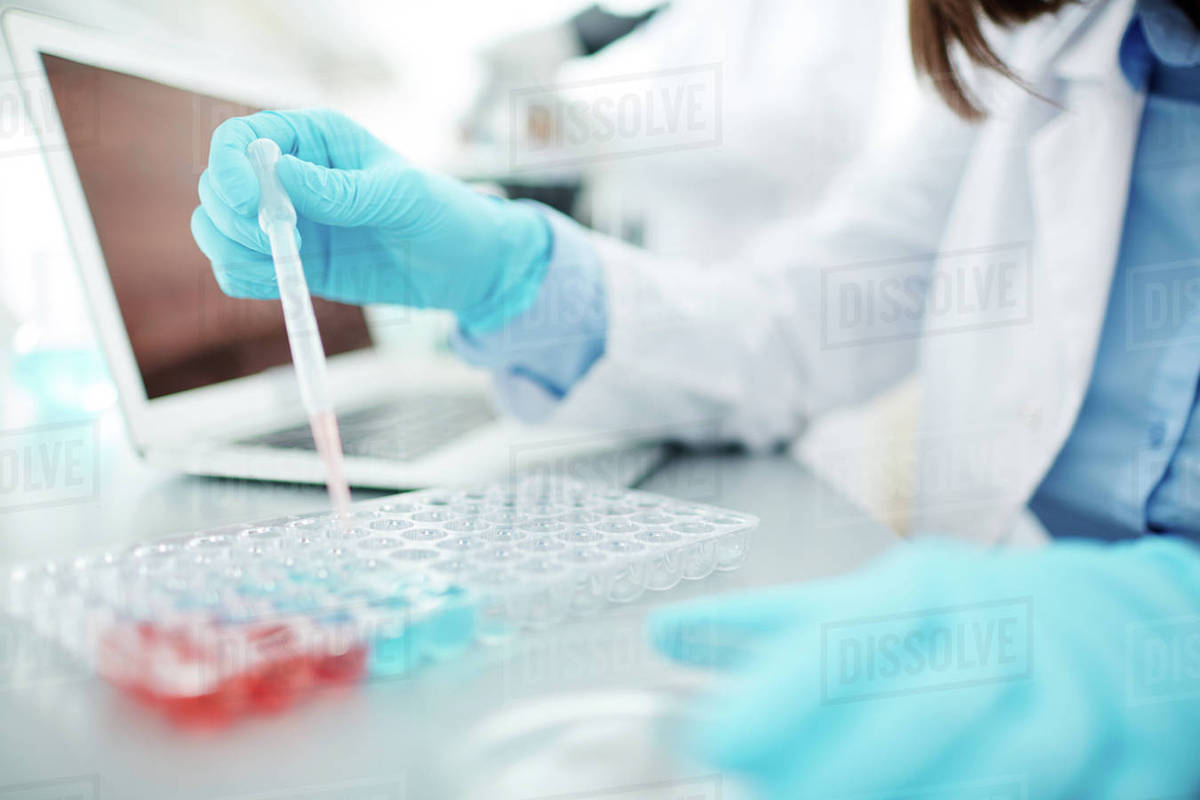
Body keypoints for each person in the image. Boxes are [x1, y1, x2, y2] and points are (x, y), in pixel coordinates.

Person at [191, 0, 1200, 796]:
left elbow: (777, 121)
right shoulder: (1049, 53)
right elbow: (797, 321)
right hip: (968, 705)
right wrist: (502, 266)